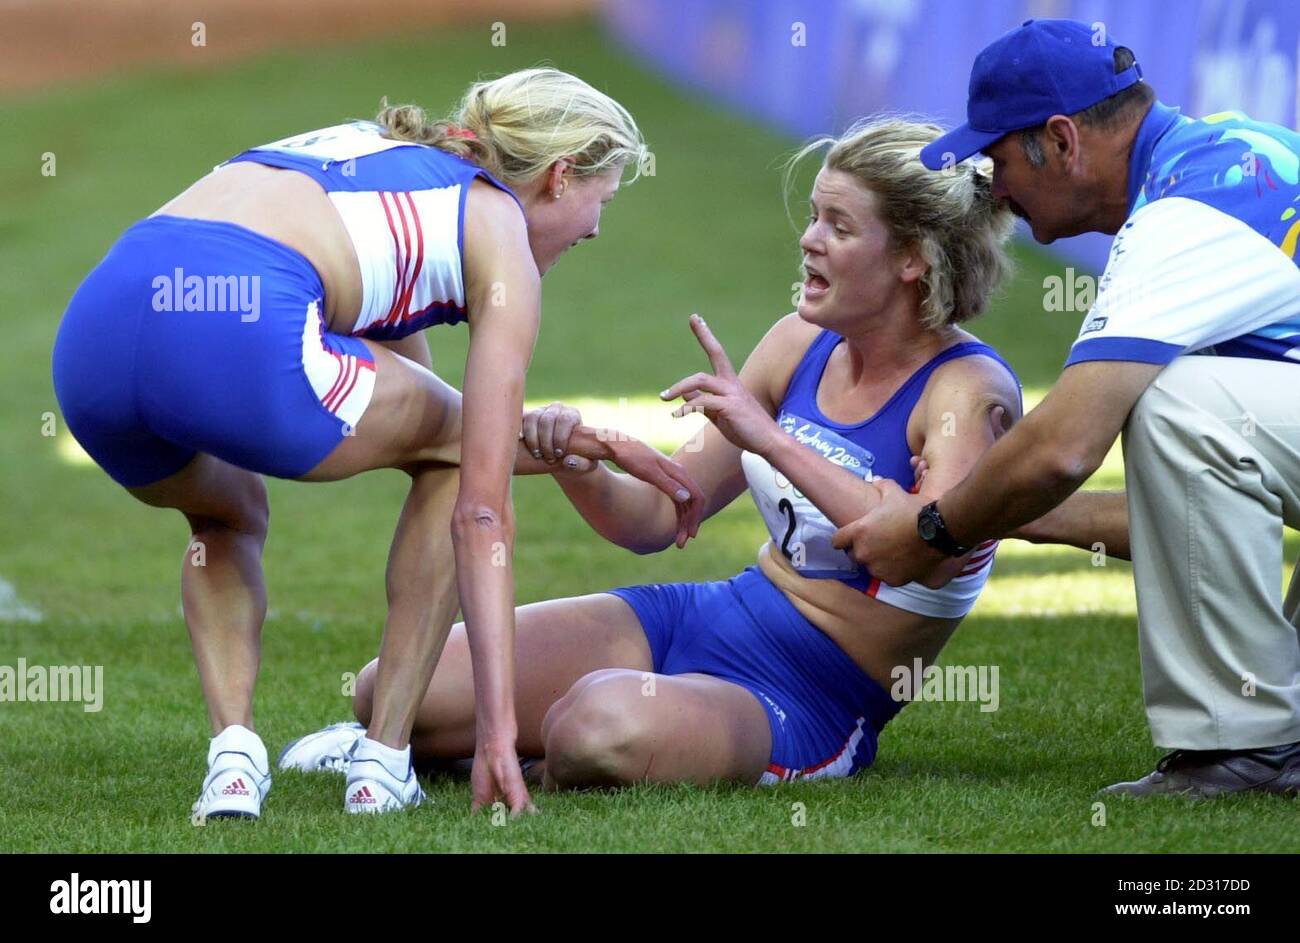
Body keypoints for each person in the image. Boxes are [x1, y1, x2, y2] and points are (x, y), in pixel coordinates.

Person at [281, 116, 1023, 789]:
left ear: (912, 261)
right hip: (706, 613)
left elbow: (916, 547)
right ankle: (436, 738)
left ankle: (510, 747)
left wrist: (762, 435)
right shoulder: (801, 342)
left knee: (597, 728)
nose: (809, 239)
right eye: (813, 215)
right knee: (387, 686)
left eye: (839, 225)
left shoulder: (967, 390)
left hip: (810, 691)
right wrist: (583, 464)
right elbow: (657, 518)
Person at [51, 67, 701, 819]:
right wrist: (497, 731)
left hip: (96, 336)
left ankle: (234, 760)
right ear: (559, 177)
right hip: (245, 319)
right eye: (602, 201)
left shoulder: (386, 152)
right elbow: (477, 500)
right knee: (458, 455)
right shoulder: (498, 231)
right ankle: (384, 761)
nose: (594, 229)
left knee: (229, 513)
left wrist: (567, 442)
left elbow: (420, 407)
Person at [834, 19, 1300, 797]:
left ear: (1060, 139)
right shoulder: (1215, 154)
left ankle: (1241, 750)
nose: (992, 186)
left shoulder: (1186, 215)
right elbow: (1187, 512)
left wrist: (932, 528)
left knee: (1179, 403)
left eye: (997, 157)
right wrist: (999, 510)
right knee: (1194, 415)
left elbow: (1065, 446)